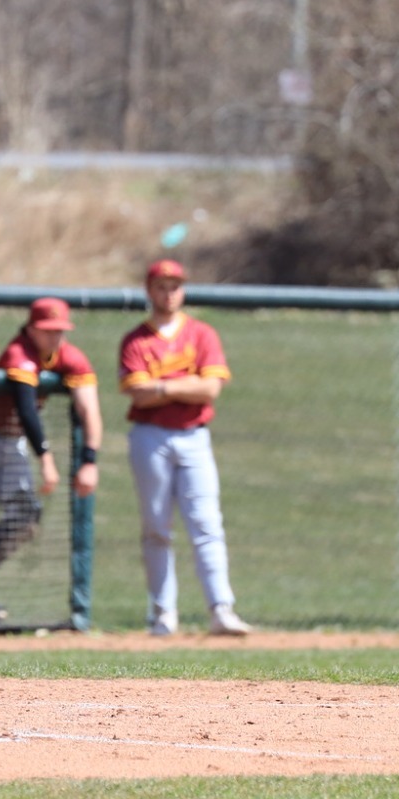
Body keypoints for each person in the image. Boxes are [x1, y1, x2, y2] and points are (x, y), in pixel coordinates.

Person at [120, 259, 250, 637]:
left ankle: (221, 610)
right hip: (150, 437)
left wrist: (161, 385)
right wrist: (184, 384)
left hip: (194, 436)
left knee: (206, 523)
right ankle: (163, 614)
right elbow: (138, 395)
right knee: (156, 526)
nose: (169, 293)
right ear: (149, 291)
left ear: (183, 290)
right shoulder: (136, 340)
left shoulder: (201, 334)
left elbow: (210, 389)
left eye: (175, 286)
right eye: (161, 286)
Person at [0, 297, 101, 623]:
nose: (55, 336)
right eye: (47, 330)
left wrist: (90, 459)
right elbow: (26, 407)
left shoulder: (70, 356)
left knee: (26, 517)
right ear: (31, 328)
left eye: (60, 330)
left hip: (10, 439)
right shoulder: (19, 352)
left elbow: (89, 407)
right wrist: (46, 458)